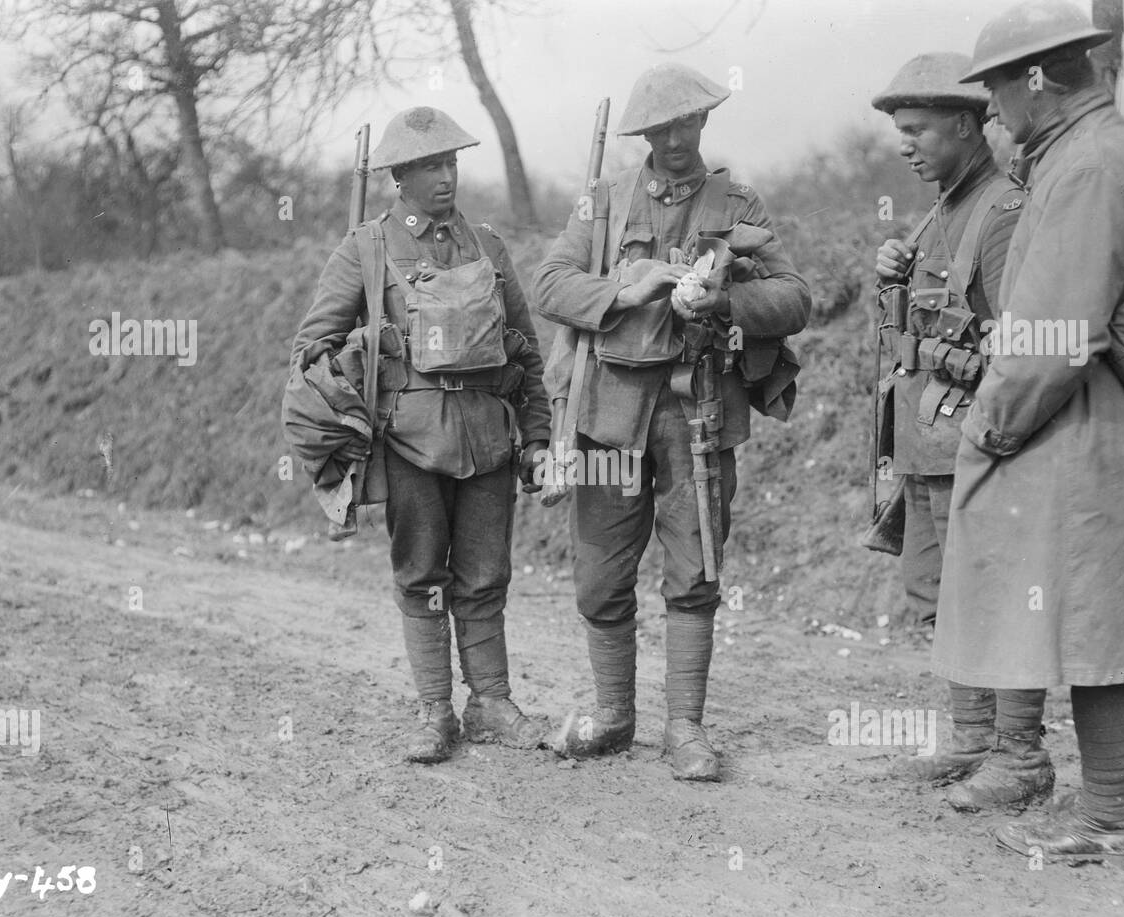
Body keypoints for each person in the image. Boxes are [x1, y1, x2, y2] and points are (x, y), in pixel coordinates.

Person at [935, 1, 1124, 860]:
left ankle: (1111, 819)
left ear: (1038, 80)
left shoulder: (1090, 165)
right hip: (1101, 424)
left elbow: (1057, 336)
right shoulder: (1098, 151)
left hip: (1091, 429)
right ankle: (1100, 805)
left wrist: (989, 427)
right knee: (1097, 622)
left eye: (998, 88)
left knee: (1101, 626)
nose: (992, 109)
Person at [532, 64, 811, 781]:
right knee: (598, 576)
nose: (675, 138)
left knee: (696, 570)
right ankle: (614, 715)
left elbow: (794, 298)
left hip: (699, 410)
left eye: (686, 123)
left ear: (703, 123)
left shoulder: (738, 201)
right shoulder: (604, 203)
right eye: (661, 128)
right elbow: (550, 284)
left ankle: (684, 726)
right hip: (608, 414)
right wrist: (629, 287)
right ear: (644, 134)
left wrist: (723, 302)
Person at [290, 107, 551, 764]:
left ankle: (490, 702)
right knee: (421, 574)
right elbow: (310, 348)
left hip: (490, 436)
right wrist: (357, 363)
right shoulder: (367, 248)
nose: (446, 177)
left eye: (452, 162)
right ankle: (435, 710)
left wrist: (539, 438)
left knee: (487, 574)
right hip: (409, 439)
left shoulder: (486, 246)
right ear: (399, 177)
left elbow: (528, 353)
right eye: (431, 166)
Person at [869, 52, 1026, 788]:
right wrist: (894, 279)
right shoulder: (940, 212)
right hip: (927, 442)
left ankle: (1020, 753)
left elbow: (1017, 347)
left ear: (966, 126)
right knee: (939, 595)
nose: (905, 144)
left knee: (994, 599)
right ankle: (971, 737)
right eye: (900, 130)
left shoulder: (1001, 214)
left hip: (977, 442)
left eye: (918, 130)